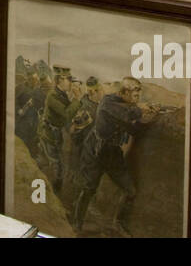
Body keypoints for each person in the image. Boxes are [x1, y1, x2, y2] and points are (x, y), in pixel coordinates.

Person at [64, 77, 157, 235]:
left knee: (130, 191)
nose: (137, 99)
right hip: (95, 150)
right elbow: (125, 113)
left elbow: (132, 128)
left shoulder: (126, 106)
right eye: (135, 96)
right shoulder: (108, 102)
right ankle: (77, 223)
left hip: (112, 154)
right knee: (88, 189)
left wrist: (148, 119)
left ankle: (118, 222)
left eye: (138, 96)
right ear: (124, 92)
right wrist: (141, 109)